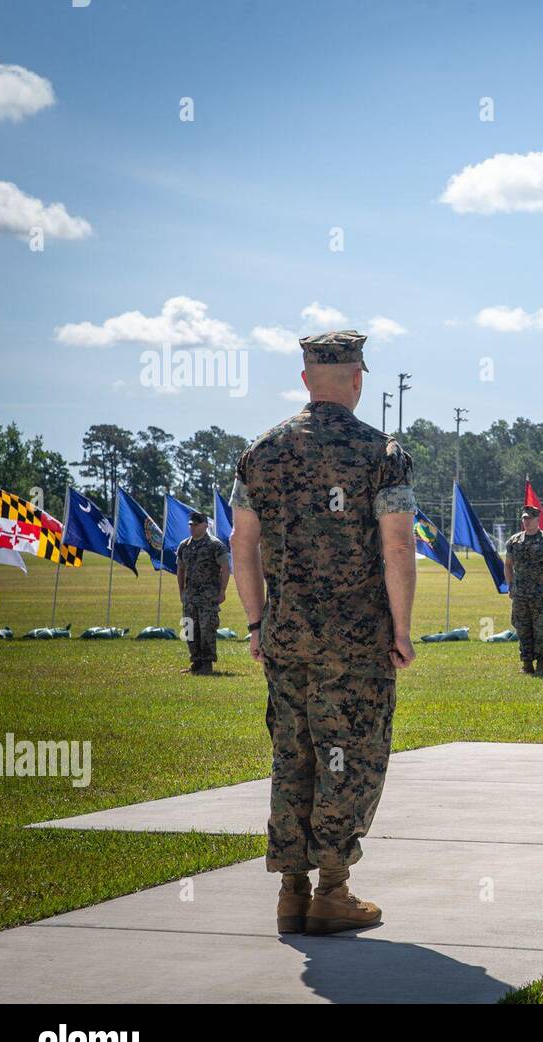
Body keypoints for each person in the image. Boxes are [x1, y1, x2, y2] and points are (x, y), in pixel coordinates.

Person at [229, 329, 417, 936]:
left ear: (305, 376)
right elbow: (397, 545)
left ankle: (291, 892)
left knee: (295, 757)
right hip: (357, 641)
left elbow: (244, 545)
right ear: (359, 379)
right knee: (350, 757)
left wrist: (257, 623)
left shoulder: (262, 451)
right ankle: (332, 891)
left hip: (286, 638)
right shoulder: (380, 453)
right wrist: (403, 629)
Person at [504, 504, 543, 675]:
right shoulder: (514, 542)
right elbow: (508, 566)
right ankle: (526, 664)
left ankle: (541, 664)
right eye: (524, 519)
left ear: (537, 520)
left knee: (541, 629)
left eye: (529, 519)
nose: (526, 522)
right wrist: (510, 586)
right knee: (522, 629)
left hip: (542, 594)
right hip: (521, 594)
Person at [175, 510, 229, 675]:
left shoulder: (215, 545)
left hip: (208, 596)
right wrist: (181, 592)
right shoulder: (184, 545)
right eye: (191, 525)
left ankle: (207, 663)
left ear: (205, 525)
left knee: (207, 629)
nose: (192, 528)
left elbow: (225, 569)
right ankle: (196, 661)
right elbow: (180, 569)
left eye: (196, 525)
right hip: (190, 596)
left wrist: (222, 591)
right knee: (189, 628)